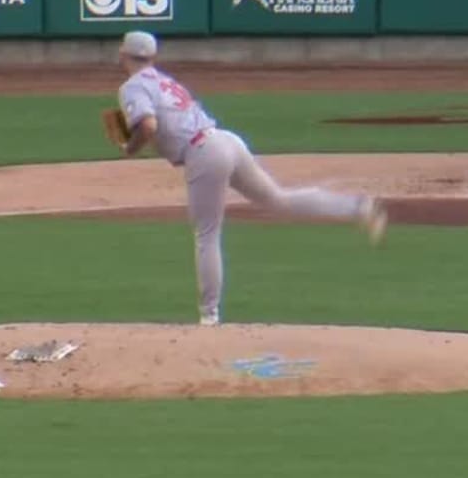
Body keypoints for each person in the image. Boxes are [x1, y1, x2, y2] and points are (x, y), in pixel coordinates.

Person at [112, 31, 387, 325]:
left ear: (123, 54)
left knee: (207, 234)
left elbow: (149, 126)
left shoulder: (132, 87)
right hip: (226, 140)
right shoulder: (163, 79)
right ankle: (358, 208)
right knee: (278, 199)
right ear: (152, 56)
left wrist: (130, 147)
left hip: (204, 153)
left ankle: (209, 317)